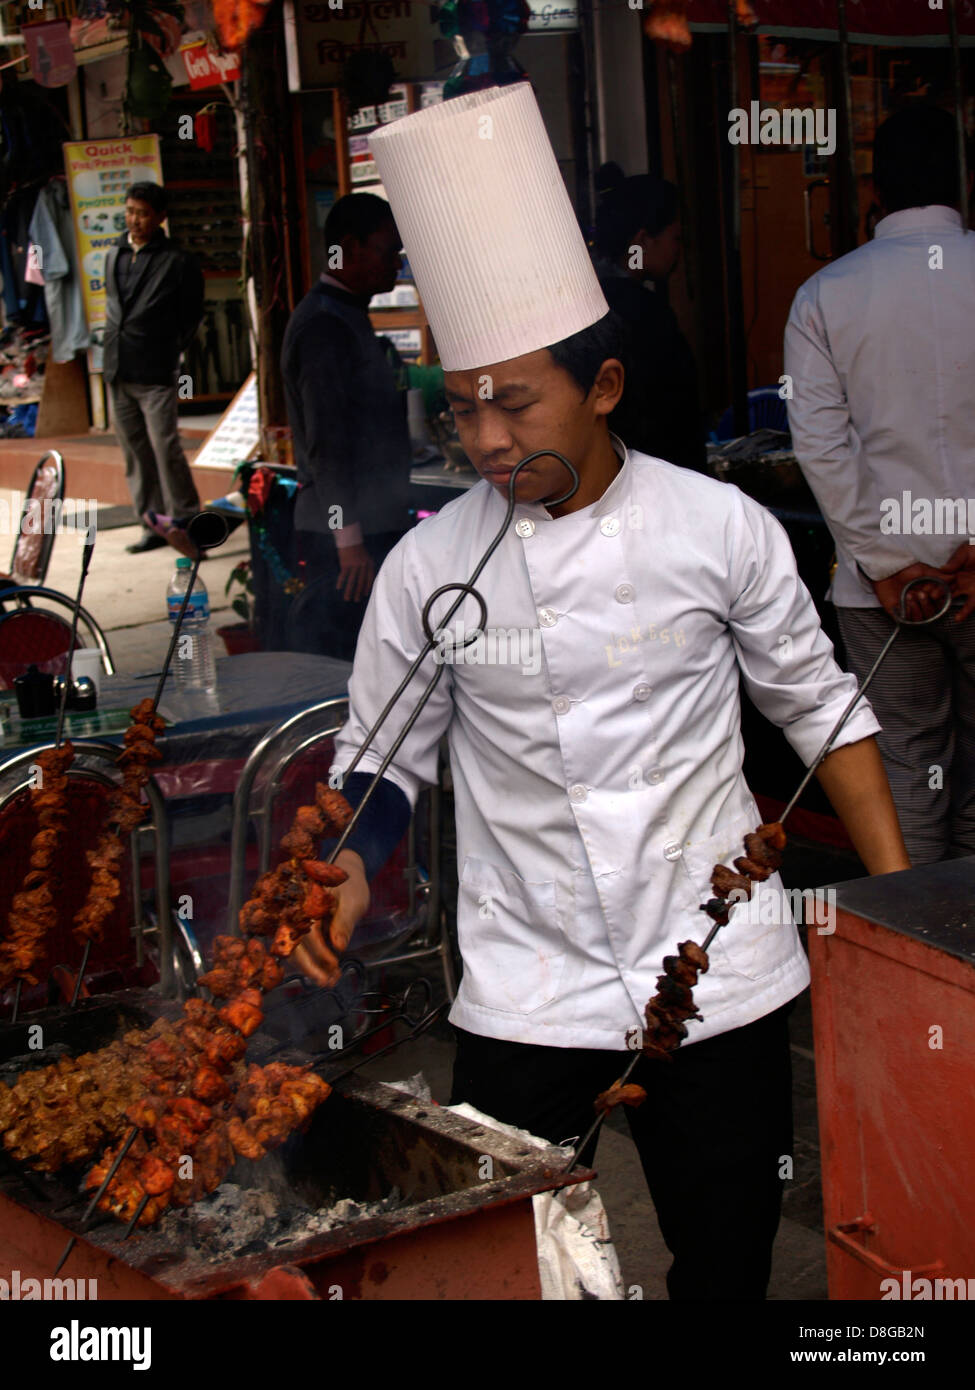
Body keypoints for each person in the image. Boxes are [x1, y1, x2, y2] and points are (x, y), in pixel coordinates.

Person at [293, 85, 910, 1301]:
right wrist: (357, 862)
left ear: (606, 385)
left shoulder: (717, 527)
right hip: (527, 979)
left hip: (719, 972)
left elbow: (821, 706)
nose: (481, 438)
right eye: (461, 404)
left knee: (728, 1258)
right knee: (506, 1267)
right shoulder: (428, 566)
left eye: (514, 402)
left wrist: (900, 903)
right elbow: (386, 756)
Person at [785, 103, 975, 864]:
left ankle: (926, 959)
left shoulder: (825, 294)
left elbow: (819, 445)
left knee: (910, 764)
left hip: (881, 596)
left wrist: (889, 565)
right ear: (962, 180)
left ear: (872, 187)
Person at [281, 193, 411, 660]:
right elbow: (327, 443)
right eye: (387, 250)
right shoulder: (323, 326)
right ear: (350, 248)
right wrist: (350, 543)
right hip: (345, 542)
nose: (395, 263)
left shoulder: (347, 314)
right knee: (345, 665)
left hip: (368, 526)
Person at [103, 182, 204, 554]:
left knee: (166, 448)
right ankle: (151, 522)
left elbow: (191, 315)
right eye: (130, 211)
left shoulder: (176, 260)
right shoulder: (114, 253)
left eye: (143, 212)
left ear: (160, 217)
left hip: (156, 370)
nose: (135, 219)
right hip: (117, 367)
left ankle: (189, 521)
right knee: (135, 452)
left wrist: (168, 345)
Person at [593, 172, 707, 472]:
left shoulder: (589, 299)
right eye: (676, 238)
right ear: (642, 240)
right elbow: (673, 414)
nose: (678, 250)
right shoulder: (642, 312)